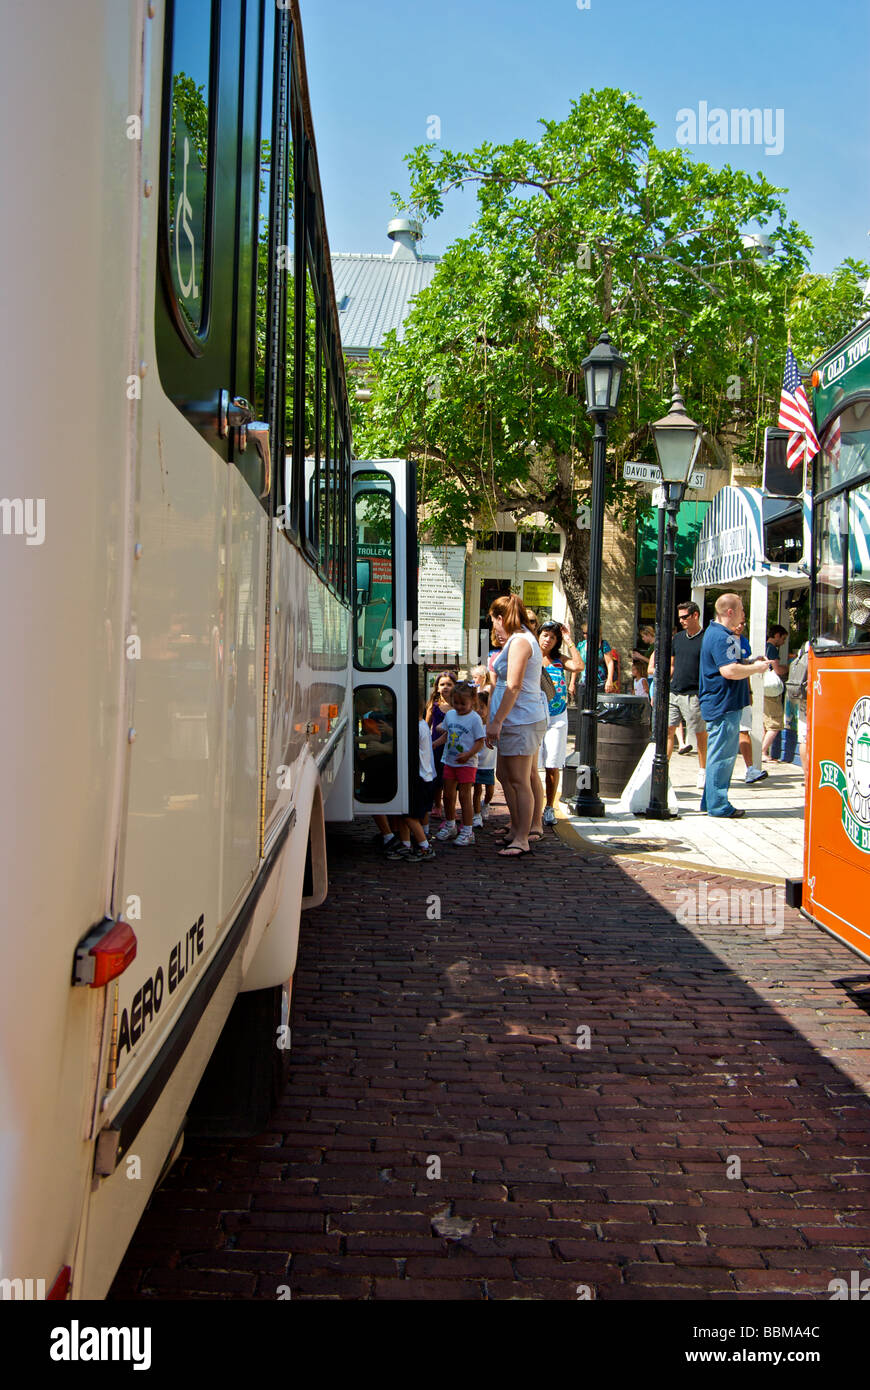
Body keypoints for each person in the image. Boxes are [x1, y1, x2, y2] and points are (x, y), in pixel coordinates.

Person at [698, 593, 771, 818]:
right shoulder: (723, 637)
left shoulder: (713, 632)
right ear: (730, 612)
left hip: (717, 702)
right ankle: (719, 806)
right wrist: (756, 669)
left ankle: (710, 802)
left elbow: (730, 664)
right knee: (723, 756)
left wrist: (748, 663)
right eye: (741, 610)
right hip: (724, 703)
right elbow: (728, 670)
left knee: (716, 754)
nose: (743, 615)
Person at [486, 594, 547, 857]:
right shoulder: (517, 638)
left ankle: (523, 837)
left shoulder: (521, 641)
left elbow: (513, 685)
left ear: (500, 618)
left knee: (521, 780)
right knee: (506, 775)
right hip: (514, 719)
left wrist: (496, 720)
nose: (494, 628)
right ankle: (517, 827)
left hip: (521, 719)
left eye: (493, 621)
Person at [537, 620, 583, 825]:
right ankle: (533, 806)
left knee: (552, 765)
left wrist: (569, 640)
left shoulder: (559, 659)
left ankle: (549, 807)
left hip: (558, 717)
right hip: (535, 717)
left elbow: (579, 666)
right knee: (531, 767)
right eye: (545, 634)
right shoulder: (531, 656)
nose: (548, 639)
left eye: (552, 637)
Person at [432, 681, 485, 846]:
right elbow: (447, 735)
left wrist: (468, 754)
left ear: (472, 701)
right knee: (447, 796)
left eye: (463, 703)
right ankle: (450, 825)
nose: (459, 706)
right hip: (449, 761)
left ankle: (468, 831)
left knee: (464, 797)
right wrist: (434, 744)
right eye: (456, 703)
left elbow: (480, 741)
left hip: (467, 763)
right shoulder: (450, 715)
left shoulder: (474, 719)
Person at [386, 702, 438, 861]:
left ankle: (424, 846)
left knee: (410, 815)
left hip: (420, 778)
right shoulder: (420, 725)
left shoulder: (416, 728)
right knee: (402, 812)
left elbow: (406, 747)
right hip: (417, 777)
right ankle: (406, 843)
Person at [667, 601, 707, 791]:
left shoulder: (706, 638)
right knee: (668, 730)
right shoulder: (678, 638)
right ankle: (663, 772)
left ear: (695, 615)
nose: (681, 620)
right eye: (680, 617)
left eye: (685, 617)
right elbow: (672, 664)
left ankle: (702, 771)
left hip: (695, 694)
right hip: (674, 691)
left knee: (699, 734)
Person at [734, 618, 767, 785]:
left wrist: (755, 662)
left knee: (744, 731)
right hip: (725, 696)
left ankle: (750, 769)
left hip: (743, 694)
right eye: (738, 623)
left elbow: (744, 665)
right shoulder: (721, 640)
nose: (740, 626)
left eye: (743, 623)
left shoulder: (744, 642)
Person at [426, 671, 456, 819]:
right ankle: (437, 805)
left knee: (451, 780)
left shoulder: (458, 706)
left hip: (453, 746)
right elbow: (426, 725)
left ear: (454, 687)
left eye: (449, 684)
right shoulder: (434, 705)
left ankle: (452, 808)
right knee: (437, 777)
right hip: (436, 746)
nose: (445, 687)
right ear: (437, 687)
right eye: (442, 684)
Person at [761, 624, 789, 762]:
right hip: (772, 691)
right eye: (783, 638)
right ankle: (763, 752)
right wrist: (789, 667)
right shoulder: (772, 649)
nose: (783, 642)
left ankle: (760, 751)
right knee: (775, 724)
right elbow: (777, 670)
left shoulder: (762, 646)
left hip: (762, 688)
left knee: (764, 723)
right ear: (777, 635)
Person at [472, 688, 497, 826]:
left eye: (482, 707)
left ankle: (485, 804)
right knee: (477, 789)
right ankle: (476, 815)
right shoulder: (474, 724)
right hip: (475, 763)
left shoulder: (491, 726)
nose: (479, 710)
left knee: (490, 790)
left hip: (489, 764)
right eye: (476, 707)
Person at [575, 624, 617, 695]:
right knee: (583, 705)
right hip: (584, 682)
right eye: (584, 633)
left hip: (600, 683)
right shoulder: (581, 645)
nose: (585, 635)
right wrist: (572, 682)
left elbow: (609, 662)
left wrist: (609, 679)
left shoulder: (604, 644)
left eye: (587, 633)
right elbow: (576, 664)